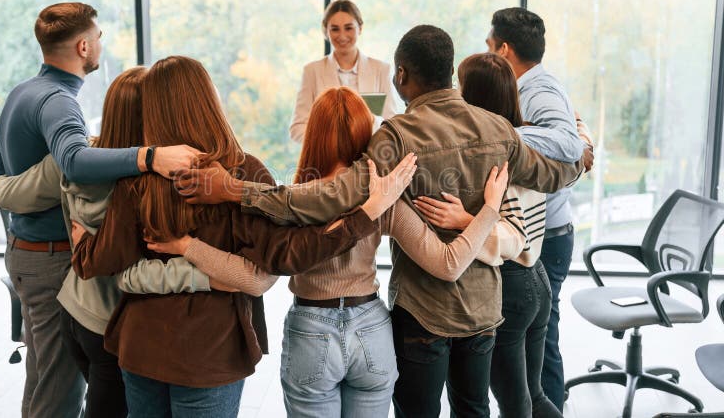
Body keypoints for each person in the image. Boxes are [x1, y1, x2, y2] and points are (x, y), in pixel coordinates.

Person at [175, 25, 584, 418]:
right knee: (473, 409)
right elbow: (552, 174)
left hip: (421, 311)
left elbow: (332, 197)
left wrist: (236, 190)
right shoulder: (497, 128)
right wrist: (582, 159)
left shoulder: (399, 136)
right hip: (479, 308)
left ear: (402, 75)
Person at [69, 55, 415, 418]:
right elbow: (275, 264)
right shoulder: (244, 170)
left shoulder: (139, 179)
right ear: (209, 99)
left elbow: (104, 260)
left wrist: (82, 244)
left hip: (142, 345)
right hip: (212, 350)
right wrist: (365, 215)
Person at [149, 86, 511, 418]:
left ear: (313, 134)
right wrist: (488, 211)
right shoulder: (383, 197)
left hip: (311, 329)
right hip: (372, 330)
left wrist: (185, 246)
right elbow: (449, 265)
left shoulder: (290, 203)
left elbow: (257, 276)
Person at [0, 2, 195, 418]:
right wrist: (149, 156)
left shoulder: (22, 92)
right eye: (99, 38)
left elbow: (1, 170)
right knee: (59, 393)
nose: (101, 44)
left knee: (41, 376)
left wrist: (5, 192)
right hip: (49, 260)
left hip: (24, 253)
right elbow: (73, 161)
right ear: (84, 46)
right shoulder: (59, 103)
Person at [415, 53, 572, 418]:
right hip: (537, 280)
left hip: (514, 285)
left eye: (460, 86)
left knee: (516, 405)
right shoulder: (529, 140)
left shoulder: (499, 154)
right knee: (533, 397)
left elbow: (511, 237)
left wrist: (465, 220)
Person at [486, 7, 593, 409]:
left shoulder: (538, 89)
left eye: (489, 44)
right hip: (539, 230)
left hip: (545, 236)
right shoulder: (532, 84)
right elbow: (577, 130)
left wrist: (500, 134)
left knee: (541, 344)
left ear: (505, 48)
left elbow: (569, 144)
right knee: (537, 342)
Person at [289, 0, 400, 142]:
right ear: (326, 31)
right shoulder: (312, 71)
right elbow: (297, 129)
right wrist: (331, 144)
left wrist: (371, 127)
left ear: (360, 28)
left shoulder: (381, 70)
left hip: (370, 159)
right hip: (327, 162)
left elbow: (391, 126)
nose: (342, 36)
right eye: (335, 29)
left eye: (348, 28)